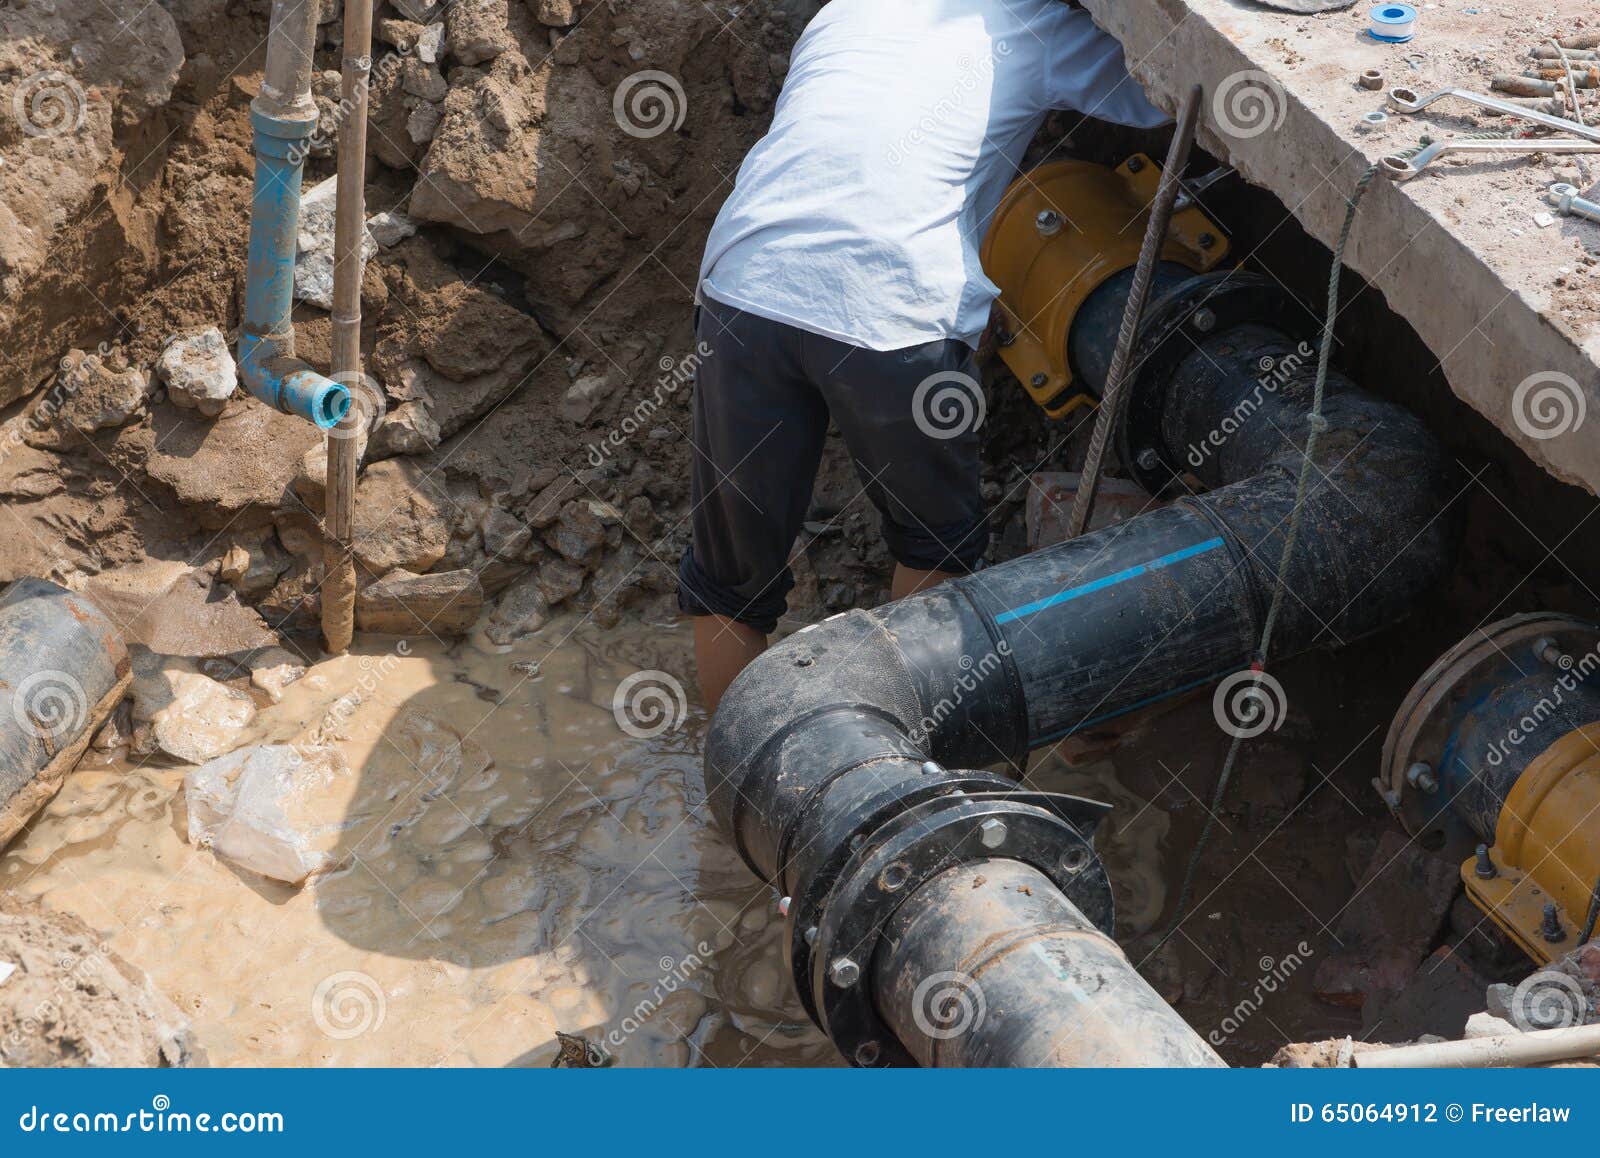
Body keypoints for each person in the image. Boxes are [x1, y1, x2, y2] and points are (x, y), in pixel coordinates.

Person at [678, 0, 1170, 710]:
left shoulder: (844, 12)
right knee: (936, 545)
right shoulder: (1037, 29)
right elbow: (1169, 91)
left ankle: (733, 769)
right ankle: (903, 742)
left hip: (744, 286)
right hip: (896, 308)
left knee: (730, 578)